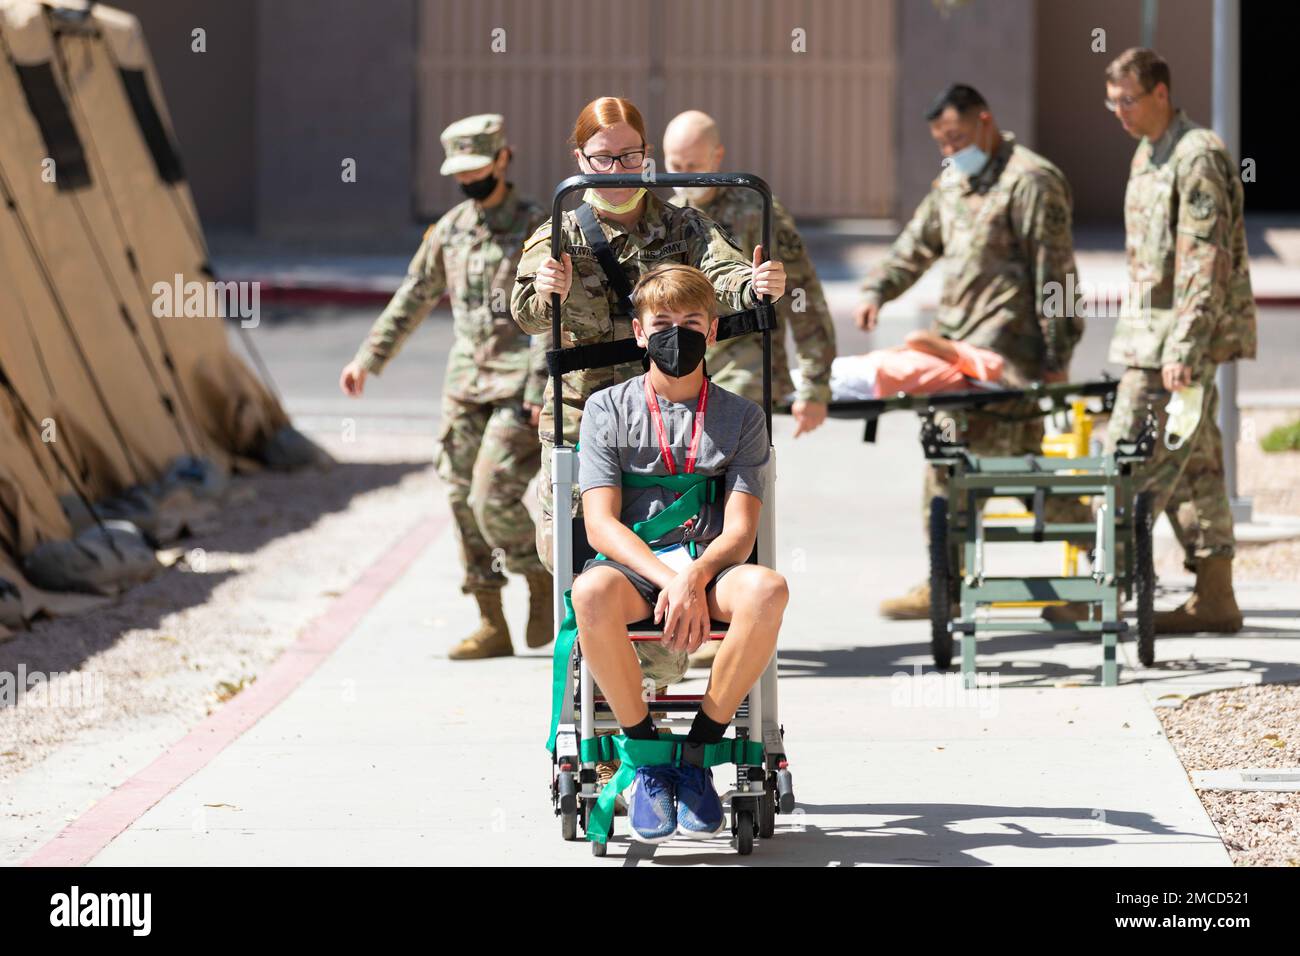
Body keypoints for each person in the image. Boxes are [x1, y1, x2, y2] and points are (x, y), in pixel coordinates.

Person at [510, 95, 786, 690]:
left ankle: (648, 697)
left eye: (629, 156)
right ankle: (606, 711)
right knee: (573, 568)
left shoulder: (682, 224)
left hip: (672, 426)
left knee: (675, 574)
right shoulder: (558, 230)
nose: (616, 172)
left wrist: (757, 285)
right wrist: (546, 288)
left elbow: (724, 274)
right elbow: (527, 314)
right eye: (602, 159)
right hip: (588, 423)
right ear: (580, 157)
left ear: (647, 155)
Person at [572, 263, 787, 841]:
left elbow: (740, 531)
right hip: (638, 569)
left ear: (712, 331)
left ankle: (696, 752)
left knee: (768, 588)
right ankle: (645, 756)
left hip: (711, 566)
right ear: (640, 333)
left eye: (691, 321)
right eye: (662, 322)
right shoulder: (607, 409)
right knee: (588, 590)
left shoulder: (742, 416)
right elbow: (600, 525)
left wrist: (695, 576)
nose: (677, 333)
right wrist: (670, 580)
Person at [856, 83, 1084, 620]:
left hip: (1008, 358)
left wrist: (1057, 358)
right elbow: (917, 244)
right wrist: (877, 290)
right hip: (953, 355)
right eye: (942, 141)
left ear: (986, 120)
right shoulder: (955, 181)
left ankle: (1109, 559)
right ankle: (945, 580)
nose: (950, 149)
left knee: (1012, 468)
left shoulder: (1030, 182)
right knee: (946, 462)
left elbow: (1058, 276)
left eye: (957, 137)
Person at [340, 114, 552, 659]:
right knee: (459, 499)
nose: (470, 181)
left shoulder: (538, 225)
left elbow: (554, 312)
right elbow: (414, 296)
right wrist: (369, 358)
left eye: (479, 169)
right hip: (464, 385)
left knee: (490, 496)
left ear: (504, 158)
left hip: (516, 386)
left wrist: (538, 385)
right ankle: (490, 621)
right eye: (462, 173)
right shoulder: (452, 228)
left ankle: (538, 574)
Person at [661, 109, 833, 667]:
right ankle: (677, 600)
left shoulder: (757, 209)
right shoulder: (661, 214)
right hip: (675, 362)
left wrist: (815, 382)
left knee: (733, 486)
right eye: (672, 166)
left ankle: (727, 609)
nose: (683, 178)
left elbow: (804, 293)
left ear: (718, 157)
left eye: (693, 166)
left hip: (738, 363)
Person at [1101, 48, 1255, 633]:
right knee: (1199, 467)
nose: (1118, 112)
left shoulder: (1197, 156)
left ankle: (1105, 587)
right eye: (1112, 101)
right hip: (1150, 335)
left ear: (1160, 92)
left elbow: (1203, 260)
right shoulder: (1149, 152)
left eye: (1127, 100)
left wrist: (1185, 349)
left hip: (1172, 347)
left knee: (1131, 457)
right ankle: (1216, 596)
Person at [790, 329, 1004, 401]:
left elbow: (915, 337)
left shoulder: (960, 360)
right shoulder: (952, 372)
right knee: (791, 382)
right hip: (871, 371)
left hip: (873, 375)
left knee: (794, 384)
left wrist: (947, 344)